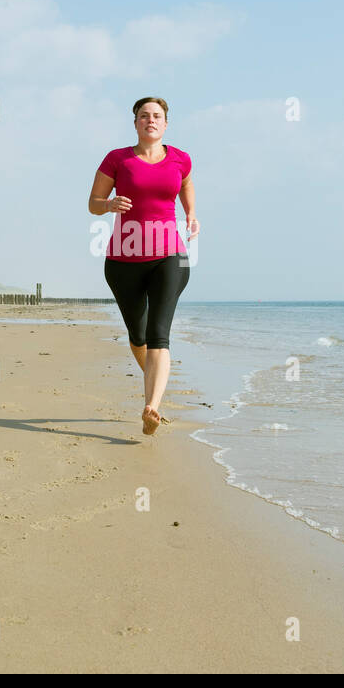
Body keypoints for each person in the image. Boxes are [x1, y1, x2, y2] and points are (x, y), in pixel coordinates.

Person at [88, 97, 199, 436]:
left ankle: (151, 406)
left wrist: (191, 212)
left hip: (171, 258)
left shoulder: (181, 158)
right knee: (138, 336)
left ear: (166, 123)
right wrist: (109, 204)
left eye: (157, 116)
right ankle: (155, 382)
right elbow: (93, 204)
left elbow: (186, 184)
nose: (150, 120)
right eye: (144, 116)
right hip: (123, 260)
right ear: (135, 122)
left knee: (158, 335)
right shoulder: (117, 159)